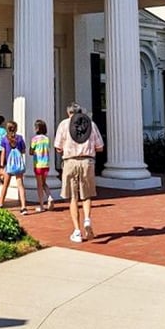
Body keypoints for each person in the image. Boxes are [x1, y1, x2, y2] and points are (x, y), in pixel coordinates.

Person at [54, 102, 104, 243]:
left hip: (70, 162)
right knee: (87, 195)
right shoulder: (91, 125)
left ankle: (77, 231)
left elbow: (58, 147)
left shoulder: (64, 125)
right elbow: (100, 147)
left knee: (73, 197)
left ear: (68, 112)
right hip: (87, 162)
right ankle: (87, 220)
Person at [0, 120, 28, 213]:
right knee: (20, 185)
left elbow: (3, 152)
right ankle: (23, 207)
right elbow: (23, 151)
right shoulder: (20, 138)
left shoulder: (5, 139)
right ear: (16, 128)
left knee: (5, 185)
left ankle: (1, 203)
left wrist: (2, 165)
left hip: (9, 165)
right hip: (18, 165)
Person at [29, 119, 54, 212]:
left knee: (39, 185)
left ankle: (41, 205)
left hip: (38, 164)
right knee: (44, 183)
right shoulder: (47, 139)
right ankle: (49, 196)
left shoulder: (35, 139)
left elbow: (31, 152)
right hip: (46, 164)